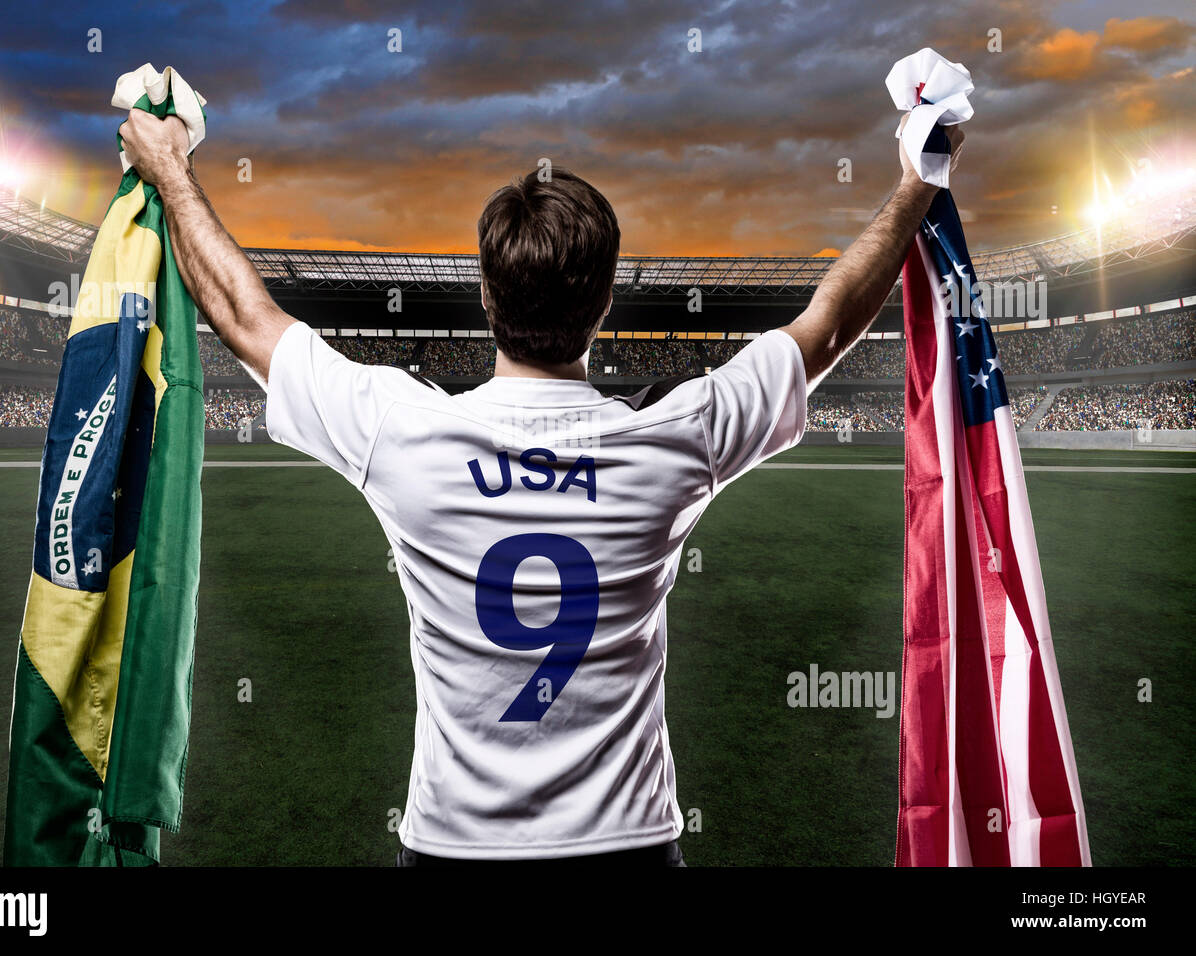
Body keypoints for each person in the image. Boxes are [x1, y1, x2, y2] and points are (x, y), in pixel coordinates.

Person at [118, 108, 961, 866]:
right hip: (627, 845)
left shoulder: (403, 432)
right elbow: (827, 325)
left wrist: (170, 167)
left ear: (485, 297)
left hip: (455, 846)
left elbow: (242, 313)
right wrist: (918, 180)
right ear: (603, 305)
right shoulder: (674, 440)